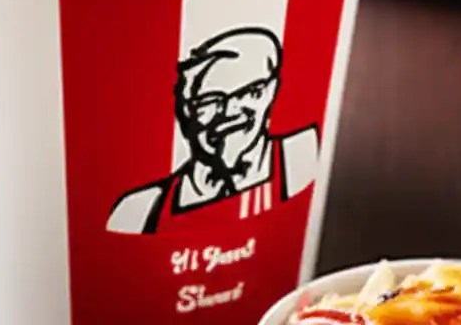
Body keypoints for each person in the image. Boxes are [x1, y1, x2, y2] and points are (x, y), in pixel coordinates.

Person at [107, 26, 319, 234]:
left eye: (249, 92)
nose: (230, 111)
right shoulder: (142, 211)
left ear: (271, 92)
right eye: (210, 101)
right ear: (185, 111)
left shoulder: (301, 154)